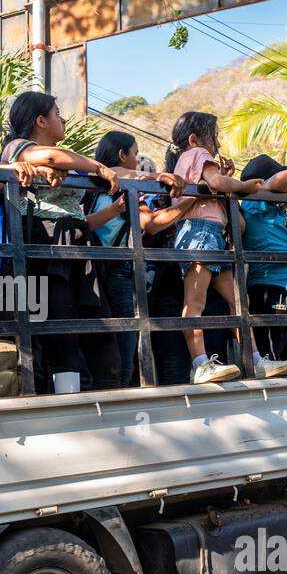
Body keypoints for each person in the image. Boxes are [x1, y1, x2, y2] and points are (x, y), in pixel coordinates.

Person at [0, 92, 125, 393]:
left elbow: (76, 220)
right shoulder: (17, 147)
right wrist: (98, 167)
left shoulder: (64, 162)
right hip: (47, 247)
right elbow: (50, 156)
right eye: (56, 112)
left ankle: (109, 397)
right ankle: (69, 406)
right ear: (40, 120)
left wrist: (112, 211)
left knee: (100, 331)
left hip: (76, 245)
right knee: (62, 336)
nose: (62, 118)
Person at [165, 111, 287, 382]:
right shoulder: (198, 153)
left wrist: (226, 180)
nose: (218, 144)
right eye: (214, 137)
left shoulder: (186, 159)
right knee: (197, 301)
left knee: (238, 300)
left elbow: (214, 184)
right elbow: (216, 183)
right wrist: (243, 186)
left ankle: (255, 359)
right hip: (200, 232)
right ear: (194, 139)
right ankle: (200, 364)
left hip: (209, 233)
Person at [89, 131, 181, 387]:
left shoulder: (95, 180)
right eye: (134, 153)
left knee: (111, 338)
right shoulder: (117, 181)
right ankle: (120, 389)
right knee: (126, 338)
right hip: (116, 267)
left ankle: (115, 388)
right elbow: (150, 224)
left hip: (94, 266)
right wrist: (187, 199)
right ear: (122, 154)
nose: (135, 160)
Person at [239, 154, 287, 376]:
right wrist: (259, 190)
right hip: (273, 289)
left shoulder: (275, 205)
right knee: (273, 360)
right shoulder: (257, 203)